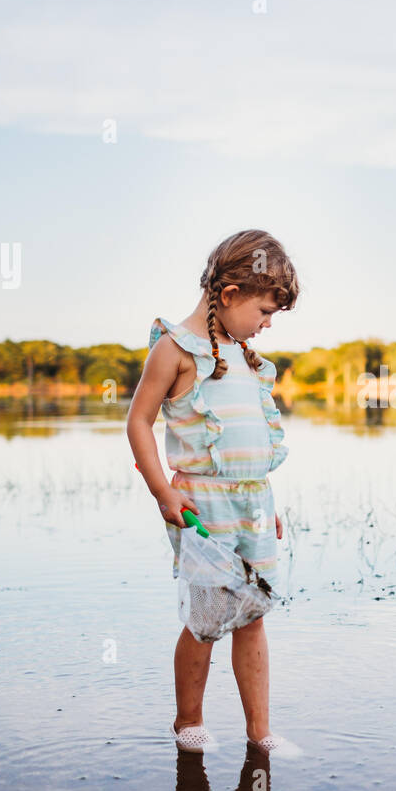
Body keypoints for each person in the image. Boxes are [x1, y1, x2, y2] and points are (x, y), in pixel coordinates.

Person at [126, 228, 302, 758]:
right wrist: (163, 493)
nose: (267, 325)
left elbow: (249, 439)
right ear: (229, 295)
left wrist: (266, 506)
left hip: (253, 504)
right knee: (206, 620)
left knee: (254, 616)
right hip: (202, 506)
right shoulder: (175, 349)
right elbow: (138, 422)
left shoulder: (243, 355)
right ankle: (189, 723)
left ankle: (260, 733)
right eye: (265, 311)